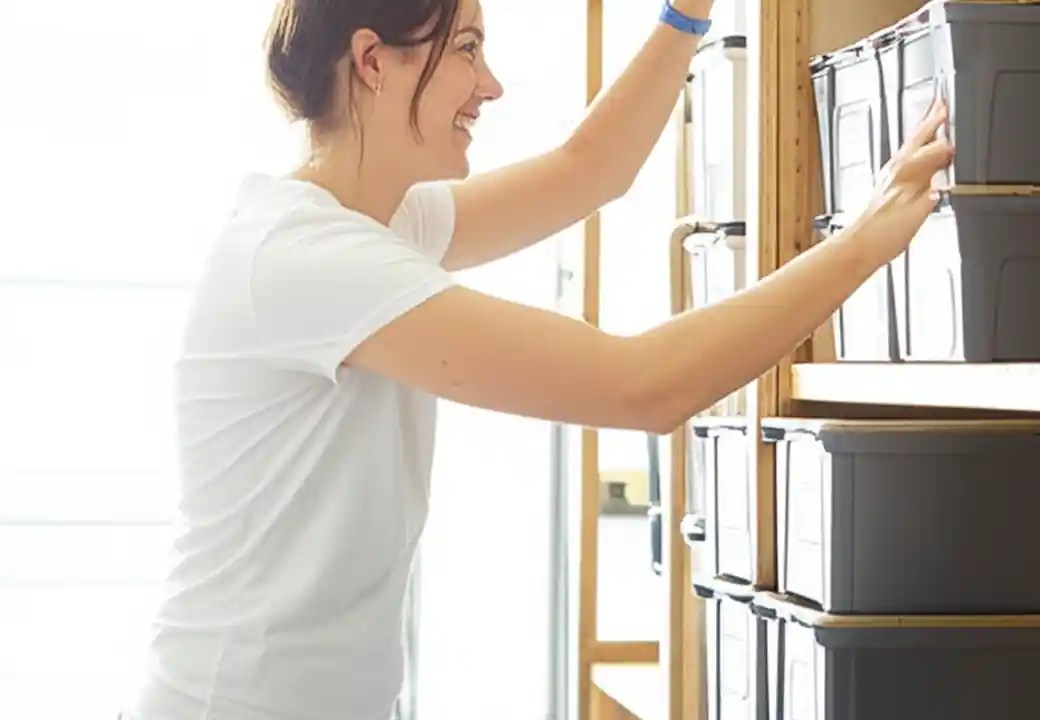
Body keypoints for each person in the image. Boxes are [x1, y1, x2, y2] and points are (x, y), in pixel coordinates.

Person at [126, 0, 952, 718]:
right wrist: (865, 242)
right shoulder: (306, 259)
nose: (490, 86)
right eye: (466, 50)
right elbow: (641, 386)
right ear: (373, 61)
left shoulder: (379, 223)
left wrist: (686, 14)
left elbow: (587, 170)